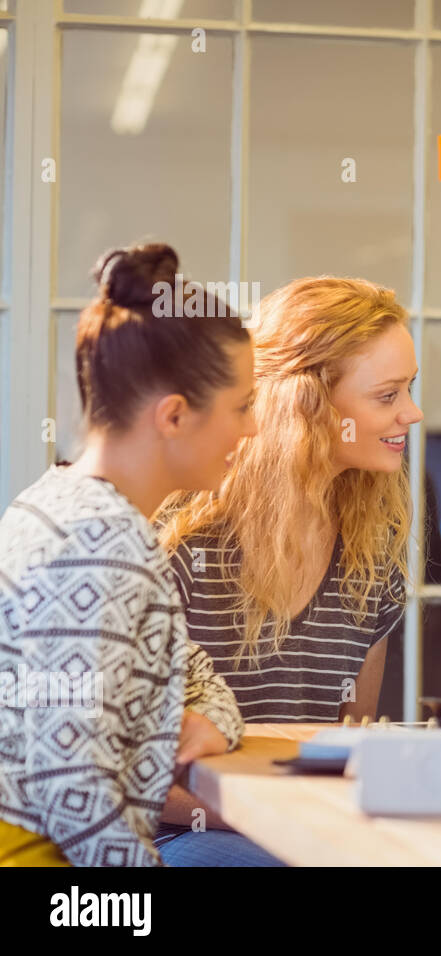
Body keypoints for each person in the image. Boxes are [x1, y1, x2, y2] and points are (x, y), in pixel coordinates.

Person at [152, 276, 421, 865]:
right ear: (307, 403)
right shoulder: (179, 547)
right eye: (387, 395)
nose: (413, 413)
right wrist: (286, 818)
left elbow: (349, 747)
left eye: (410, 390)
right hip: (184, 839)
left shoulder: (371, 565)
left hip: (307, 833)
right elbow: (127, 775)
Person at [0, 243, 248, 866]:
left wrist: (214, 717)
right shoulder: (98, 546)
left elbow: (198, 676)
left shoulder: (64, 503)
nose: (251, 432)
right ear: (173, 416)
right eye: (242, 408)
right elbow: (70, 785)